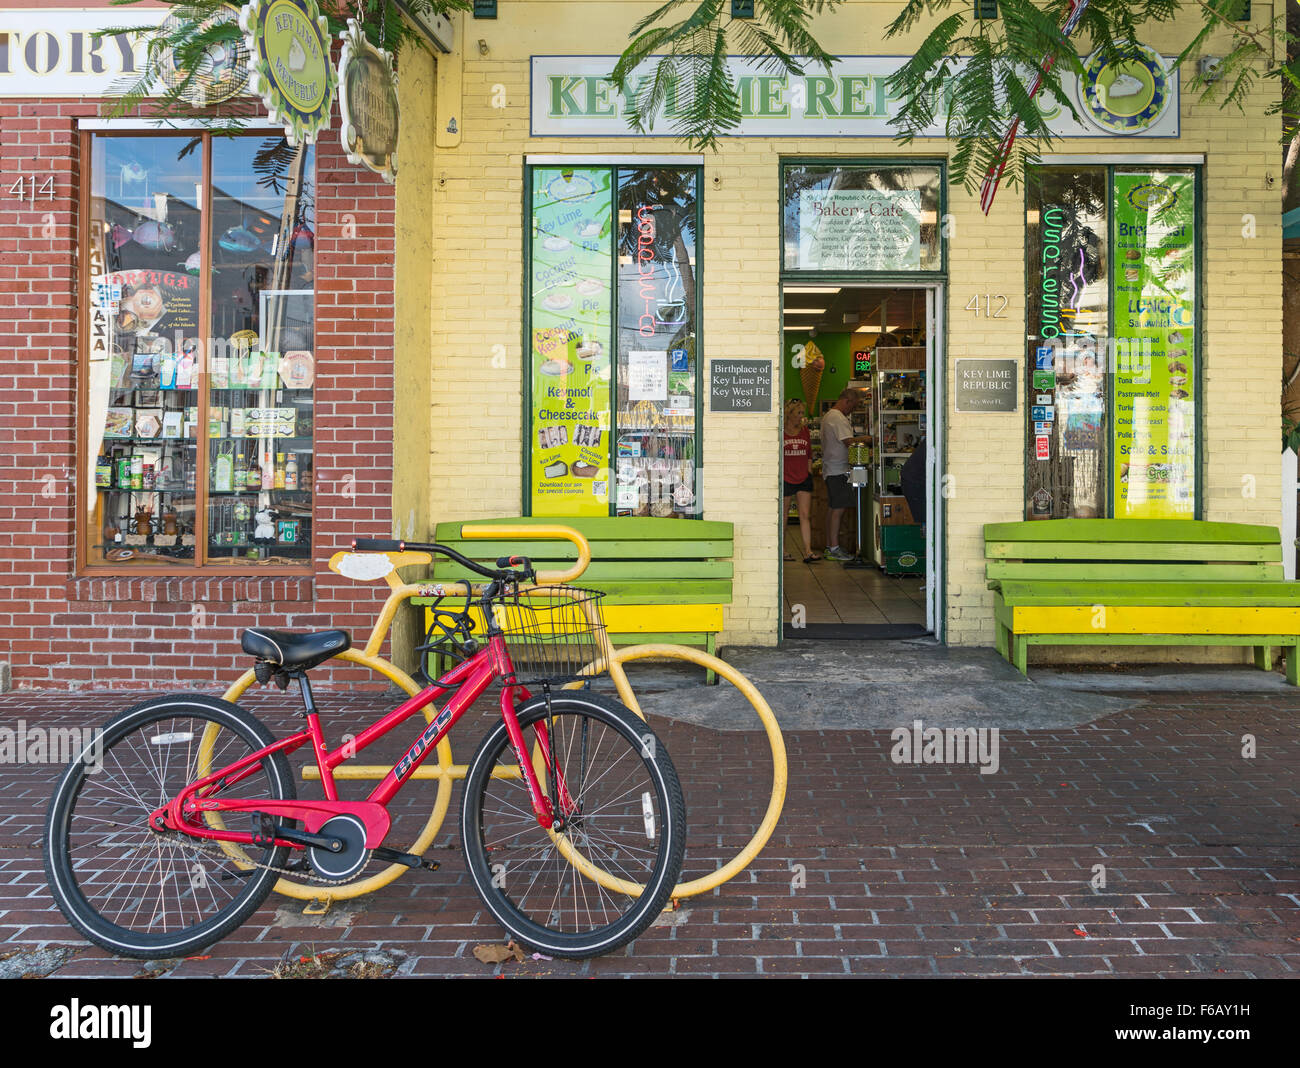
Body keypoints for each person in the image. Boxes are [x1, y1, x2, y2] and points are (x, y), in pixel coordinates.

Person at [821, 388, 872, 562]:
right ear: (847, 401)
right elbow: (848, 442)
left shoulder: (830, 416)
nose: (853, 410)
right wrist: (866, 439)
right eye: (854, 405)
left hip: (831, 468)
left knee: (833, 508)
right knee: (838, 509)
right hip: (838, 470)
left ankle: (830, 546)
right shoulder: (838, 418)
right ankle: (834, 549)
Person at [782, 399, 817, 564]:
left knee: (805, 515)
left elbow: (809, 453)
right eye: (799, 413)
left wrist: (809, 472)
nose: (802, 417)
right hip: (786, 477)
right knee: (784, 515)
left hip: (803, 477)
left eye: (803, 413)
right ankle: (782, 550)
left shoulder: (805, 432)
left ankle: (808, 551)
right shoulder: (781, 432)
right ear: (789, 414)